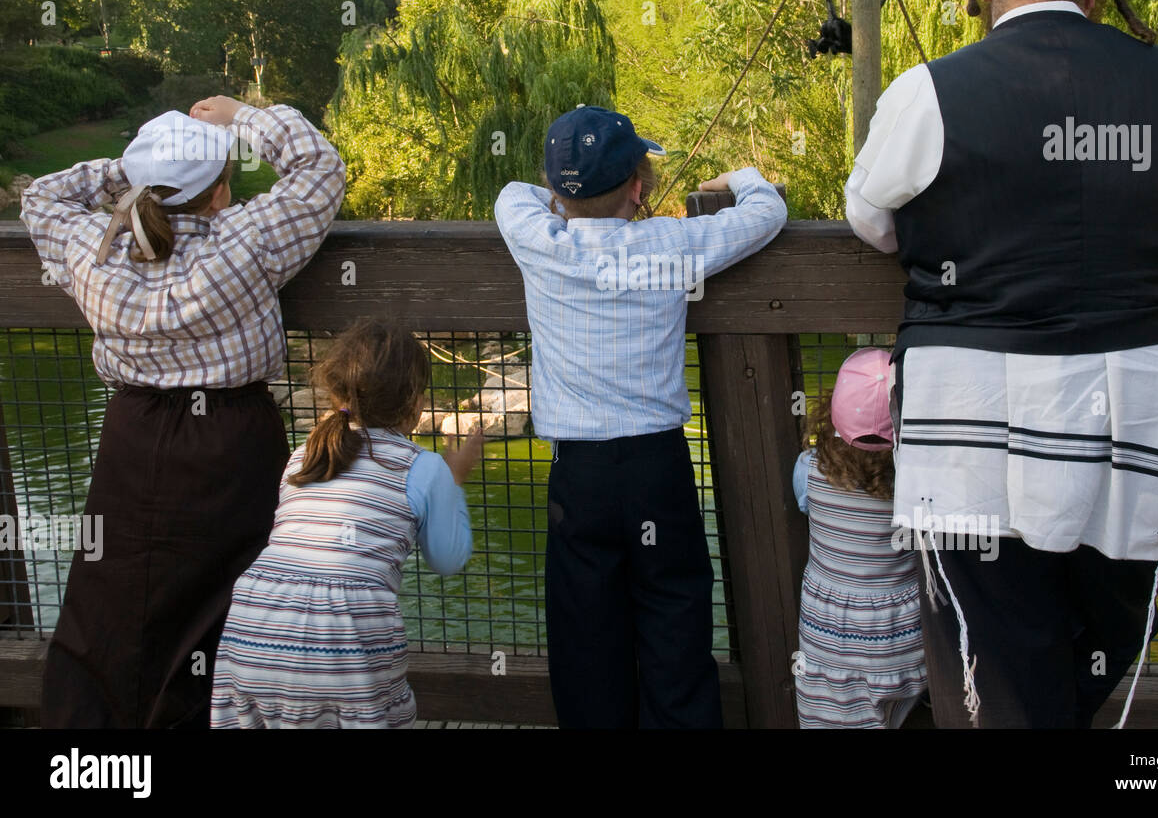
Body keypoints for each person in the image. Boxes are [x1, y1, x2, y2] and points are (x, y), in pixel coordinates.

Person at [843, 0, 1158, 729]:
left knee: (1003, 664)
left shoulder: (929, 89)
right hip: (1140, 429)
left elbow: (871, 219)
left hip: (973, 433)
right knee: (1093, 645)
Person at [21, 96, 346, 727]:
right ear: (222, 190)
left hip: (134, 438)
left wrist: (132, 171)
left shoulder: (95, 245)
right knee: (236, 604)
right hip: (233, 441)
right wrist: (238, 115)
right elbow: (318, 167)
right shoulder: (248, 239)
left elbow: (41, 197)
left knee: (116, 598)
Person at [494, 105, 787, 728]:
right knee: (676, 619)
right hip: (658, 470)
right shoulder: (670, 243)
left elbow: (513, 192)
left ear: (557, 189)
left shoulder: (539, 241)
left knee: (584, 638)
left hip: (579, 478)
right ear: (639, 186)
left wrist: (557, 199)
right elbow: (767, 214)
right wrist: (738, 177)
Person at [210, 320, 480, 728]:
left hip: (252, 622)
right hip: (347, 634)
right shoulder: (423, 467)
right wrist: (454, 480)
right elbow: (448, 558)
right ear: (416, 405)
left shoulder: (306, 455)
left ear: (338, 395)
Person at [792, 348, 926, 728]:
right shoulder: (914, 484)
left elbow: (805, 506)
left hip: (830, 637)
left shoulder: (810, 469)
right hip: (899, 636)